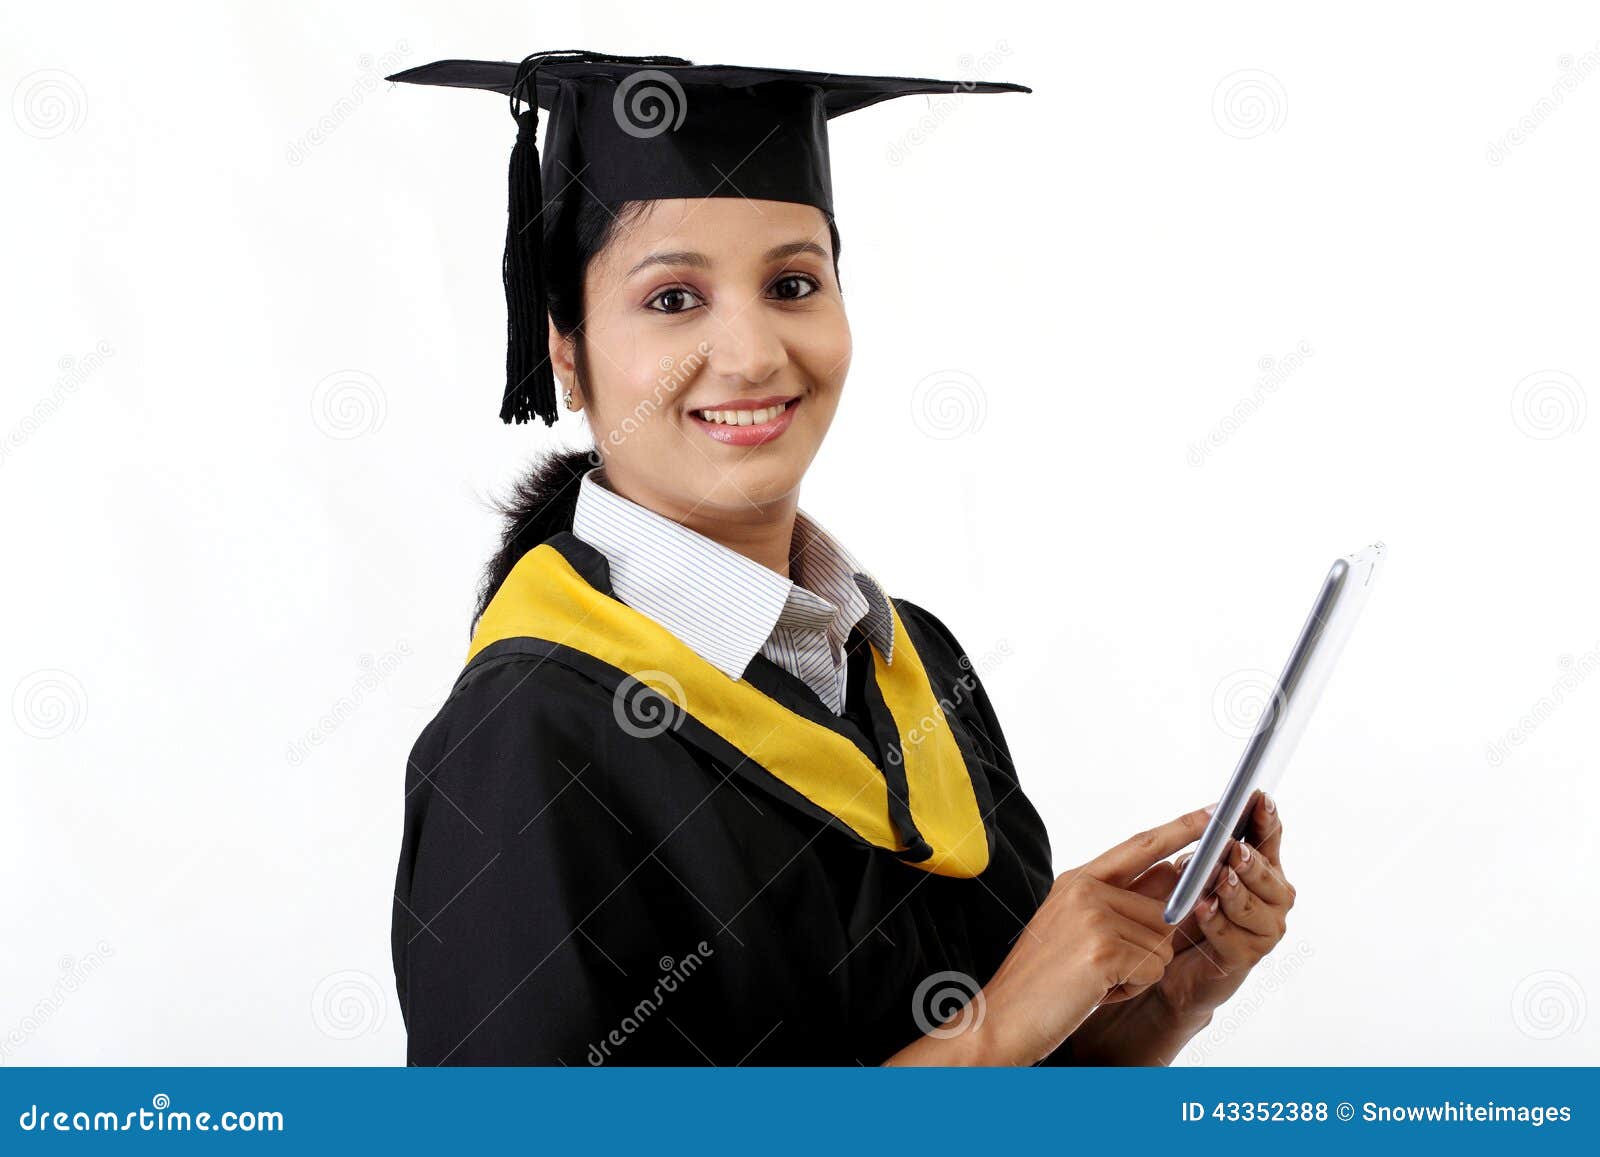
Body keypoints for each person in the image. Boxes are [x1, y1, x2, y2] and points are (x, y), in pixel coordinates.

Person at [386, 49, 1296, 1066]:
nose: (752, 353)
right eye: (674, 299)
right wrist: (992, 1029)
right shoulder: (529, 735)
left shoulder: (916, 665)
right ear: (566, 348)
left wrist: (1150, 1009)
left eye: (791, 283)